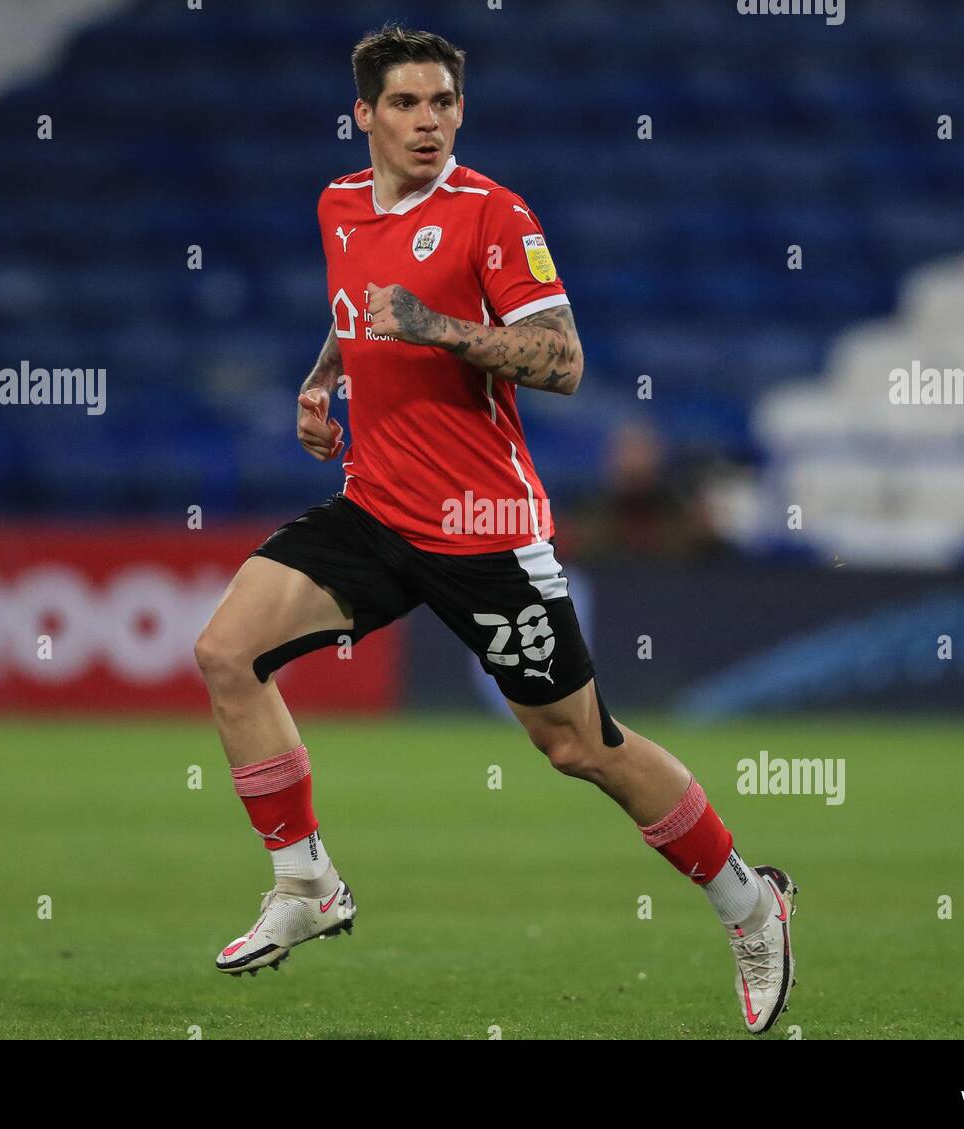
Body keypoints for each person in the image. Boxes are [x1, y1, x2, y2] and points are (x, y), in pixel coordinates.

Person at [194, 23, 798, 1034]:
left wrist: (433, 328)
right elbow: (358, 307)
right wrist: (323, 376)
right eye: (405, 105)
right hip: (376, 506)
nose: (427, 122)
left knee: (581, 746)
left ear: (460, 111)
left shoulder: (492, 214)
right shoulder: (338, 204)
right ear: (364, 117)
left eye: (442, 103)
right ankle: (305, 884)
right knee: (224, 652)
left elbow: (561, 361)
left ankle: (750, 901)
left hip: (483, 528)